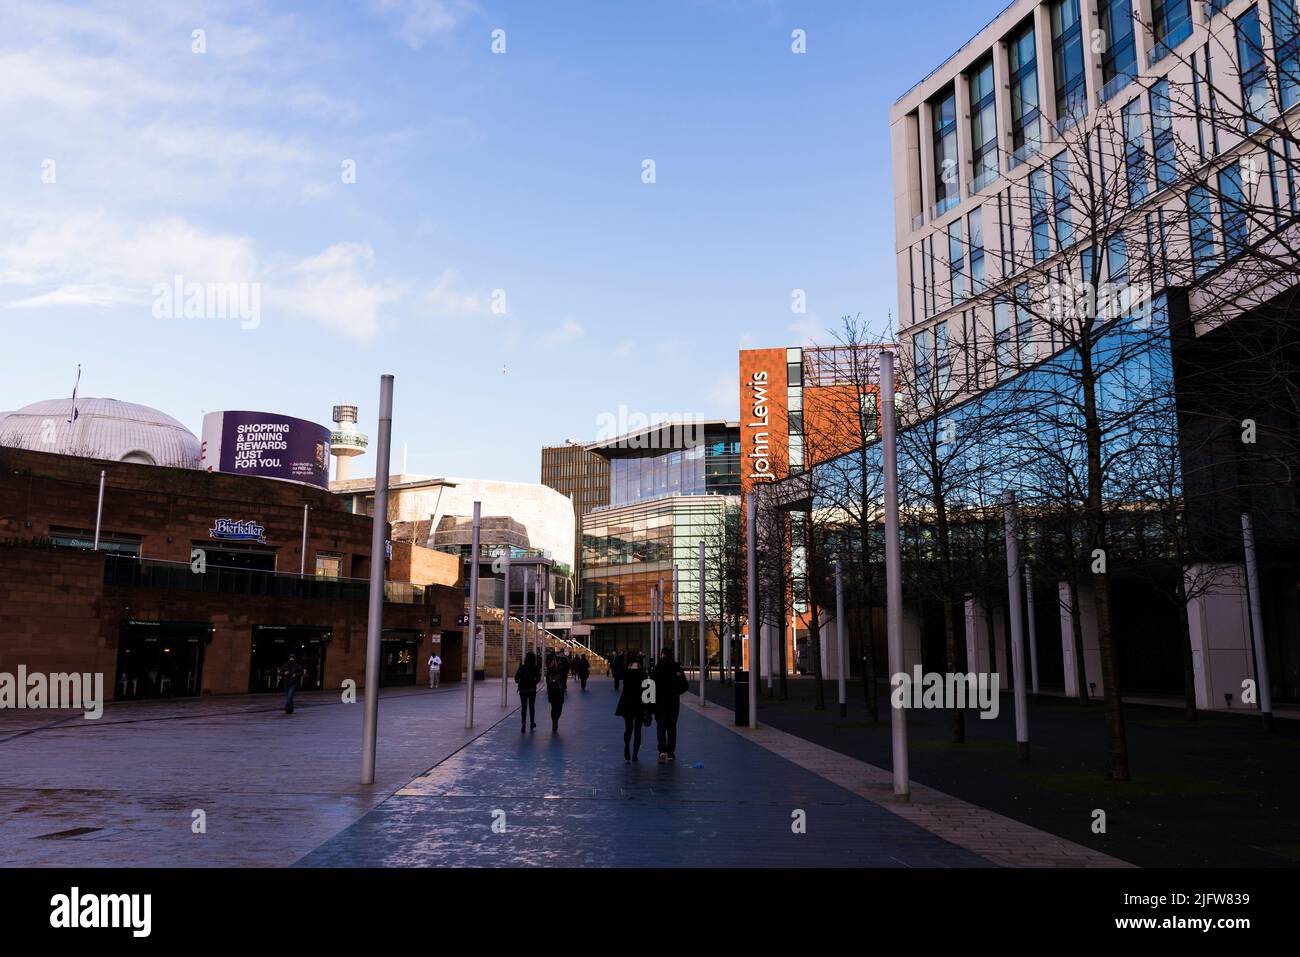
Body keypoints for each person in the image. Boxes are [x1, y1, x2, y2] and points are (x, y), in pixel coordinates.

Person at [651, 647, 688, 763]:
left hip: (659, 702)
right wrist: (676, 692)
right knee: (672, 727)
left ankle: (662, 751)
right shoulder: (677, 668)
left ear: (662, 655)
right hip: (673, 702)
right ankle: (671, 752)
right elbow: (685, 686)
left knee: (661, 727)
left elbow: (651, 685)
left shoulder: (657, 668)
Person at [615, 651, 648, 762]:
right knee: (638, 730)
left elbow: (617, 676)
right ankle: (635, 754)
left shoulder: (625, 670)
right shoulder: (641, 671)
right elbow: (647, 685)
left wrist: (621, 664)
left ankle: (627, 747)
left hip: (627, 702)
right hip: (639, 702)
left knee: (628, 728)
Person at [515, 651, 539, 733]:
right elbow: (538, 678)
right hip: (531, 690)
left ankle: (523, 724)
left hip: (522, 690)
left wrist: (521, 682)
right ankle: (532, 723)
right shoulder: (535, 667)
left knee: (523, 707)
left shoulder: (522, 667)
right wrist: (533, 683)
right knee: (532, 706)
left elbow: (516, 678)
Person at [545, 655, 566, 733]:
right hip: (560, 691)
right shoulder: (561, 668)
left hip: (551, 691)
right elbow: (564, 679)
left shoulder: (550, 669)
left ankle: (554, 721)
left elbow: (547, 680)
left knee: (553, 707)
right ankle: (556, 720)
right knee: (559, 708)